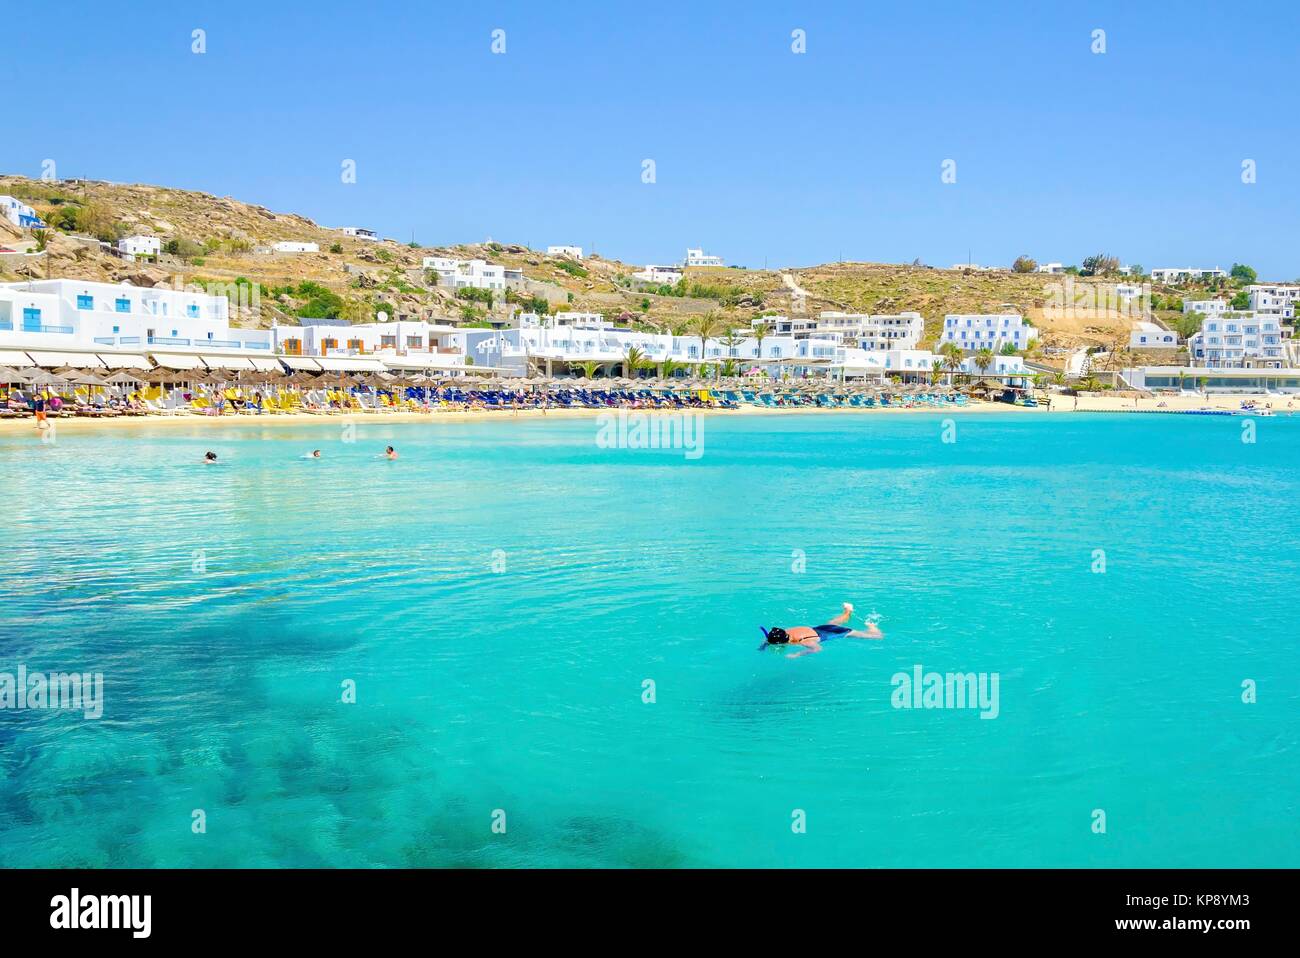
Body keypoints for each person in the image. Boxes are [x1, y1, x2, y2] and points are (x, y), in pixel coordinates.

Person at [762, 602, 883, 659]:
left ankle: (872, 626)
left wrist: (797, 654)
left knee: (876, 637)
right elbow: (769, 639)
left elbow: (818, 649)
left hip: (835, 633)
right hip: (821, 628)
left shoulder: (804, 642)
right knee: (833, 623)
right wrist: (764, 645)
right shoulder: (786, 631)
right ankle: (847, 611)